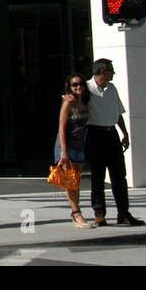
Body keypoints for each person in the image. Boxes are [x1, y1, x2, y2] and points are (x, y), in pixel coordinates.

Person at [85, 59, 143, 226]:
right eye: (111, 70)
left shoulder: (112, 89)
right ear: (102, 72)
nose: (113, 73)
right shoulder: (87, 88)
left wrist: (124, 133)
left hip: (111, 134)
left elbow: (118, 113)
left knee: (119, 176)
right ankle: (99, 214)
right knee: (98, 176)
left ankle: (123, 213)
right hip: (94, 134)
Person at [56, 72, 94, 229]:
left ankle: (76, 213)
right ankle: (76, 213)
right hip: (67, 145)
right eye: (74, 85)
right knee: (71, 182)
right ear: (69, 87)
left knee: (76, 181)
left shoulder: (84, 101)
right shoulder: (68, 103)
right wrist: (64, 151)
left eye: (81, 84)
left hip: (80, 145)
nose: (78, 87)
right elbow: (62, 128)